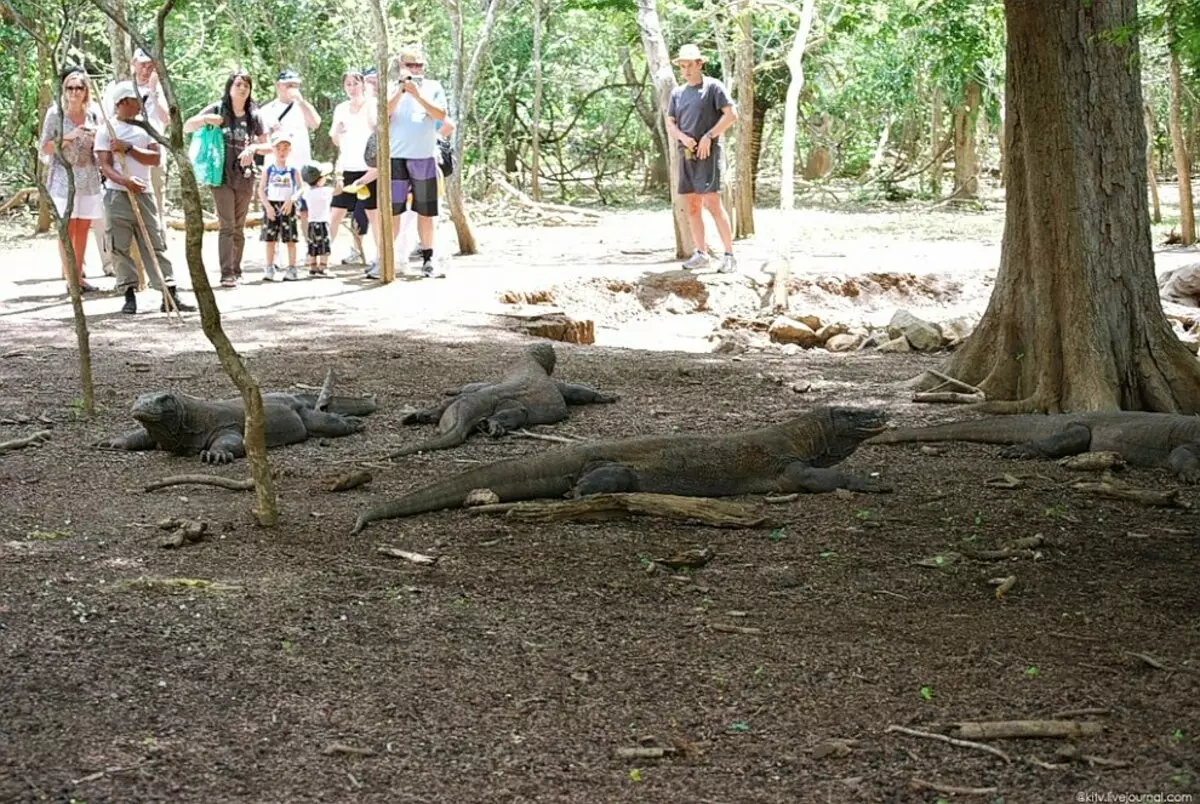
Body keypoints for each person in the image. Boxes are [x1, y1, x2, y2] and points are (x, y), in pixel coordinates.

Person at [95, 82, 195, 315]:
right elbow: (105, 166)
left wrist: (128, 148)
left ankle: (168, 292)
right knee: (119, 245)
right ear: (122, 103)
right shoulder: (106, 129)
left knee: (155, 242)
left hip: (144, 193)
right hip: (116, 194)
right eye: (135, 100)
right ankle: (128, 294)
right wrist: (124, 181)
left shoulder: (147, 127)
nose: (140, 104)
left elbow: (155, 159)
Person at [364, 46, 447, 280]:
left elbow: (441, 115)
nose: (415, 69)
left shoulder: (433, 87)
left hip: (424, 157)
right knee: (391, 212)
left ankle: (429, 260)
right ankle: (385, 259)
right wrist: (401, 91)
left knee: (426, 211)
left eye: (419, 65)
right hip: (396, 159)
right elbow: (382, 116)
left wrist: (418, 95)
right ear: (400, 66)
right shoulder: (390, 89)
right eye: (410, 65)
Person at [184, 70, 267, 287]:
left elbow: (269, 146)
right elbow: (187, 127)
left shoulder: (254, 115)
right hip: (220, 175)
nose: (242, 89)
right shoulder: (218, 109)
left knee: (239, 225)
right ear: (230, 87)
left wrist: (254, 148)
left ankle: (236, 269)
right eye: (238, 84)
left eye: (246, 86)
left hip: (245, 176)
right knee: (227, 224)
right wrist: (204, 119)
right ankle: (226, 272)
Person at [665, 44, 738, 274]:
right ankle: (701, 253)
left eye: (690, 65)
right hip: (686, 154)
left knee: (713, 204)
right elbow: (670, 122)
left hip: (708, 154)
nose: (686, 70)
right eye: (682, 66)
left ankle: (729, 255)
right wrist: (682, 138)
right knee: (692, 205)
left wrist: (709, 136)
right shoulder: (677, 93)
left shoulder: (713, 87)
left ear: (700, 64)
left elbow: (731, 115)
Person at [39, 67, 104, 293]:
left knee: (83, 227)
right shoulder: (55, 114)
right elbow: (45, 147)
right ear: (64, 90)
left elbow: (102, 145)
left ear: (86, 91)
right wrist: (69, 137)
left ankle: (79, 277)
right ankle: (70, 279)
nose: (75, 92)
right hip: (63, 178)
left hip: (88, 177)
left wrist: (96, 138)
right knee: (67, 228)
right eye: (70, 88)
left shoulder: (94, 114)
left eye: (79, 87)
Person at [328, 69, 373, 265]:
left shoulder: (371, 106)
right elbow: (336, 140)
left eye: (356, 83)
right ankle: (323, 250)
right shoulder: (340, 108)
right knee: (336, 210)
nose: (352, 88)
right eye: (348, 84)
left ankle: (358, 250)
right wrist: (336, 132)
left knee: (362, 212)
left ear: (363, 84)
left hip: (368, 168)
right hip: (346, 167)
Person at [130, 47, 170, 241]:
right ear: (133, 64)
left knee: (156, 192)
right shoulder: (121, 88)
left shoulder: (162, 90)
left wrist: (154, 92)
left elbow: (167, 119)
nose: (146, 69)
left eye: (150, 65)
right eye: (142, 64)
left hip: (154, 147)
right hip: (129, 149)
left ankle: (158, 237)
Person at [257, 132, 302, 281]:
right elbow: (261, 190)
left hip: (288, 206)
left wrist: (292, 200)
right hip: (272, 205)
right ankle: (269, 267)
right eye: (278, 148)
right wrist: (268, 207)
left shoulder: (293, 169)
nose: (282, 152)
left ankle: (292, 268)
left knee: (290, 239)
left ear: (290, 150)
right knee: (270, 239)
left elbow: (301, 188)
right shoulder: (268, 169)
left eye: (285, 148)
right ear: (273, 150)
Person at [301, 164, 334, 276]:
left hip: (311, 223)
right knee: (324, 245)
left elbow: (301, 193)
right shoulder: (326, 191)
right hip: (323, 222)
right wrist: (339, 178)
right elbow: (338, 190)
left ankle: (312, 266)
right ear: (320, 180)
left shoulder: (307, 192)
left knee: (312, 245)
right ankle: (323, 267)